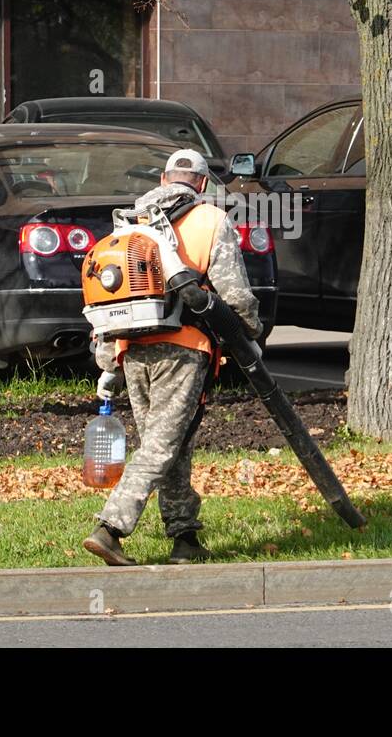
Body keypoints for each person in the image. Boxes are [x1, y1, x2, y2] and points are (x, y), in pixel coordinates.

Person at [84, 149, 261, 566]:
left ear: (164, 180)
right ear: (201, 184)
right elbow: (234, 294)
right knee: (162, 447)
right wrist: (249, 330)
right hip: (183, 350)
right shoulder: (210, 220)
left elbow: (113, 294)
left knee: (170, 444)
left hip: (131, 348)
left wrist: (110, 361)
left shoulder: (130, 223)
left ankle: (185, 537)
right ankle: (110, 528)